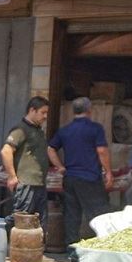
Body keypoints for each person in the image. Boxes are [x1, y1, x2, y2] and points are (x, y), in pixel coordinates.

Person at [47, 97, 112, 247]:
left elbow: (50, 149)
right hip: (90, 178)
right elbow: (101, 151)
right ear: (89, 110)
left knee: (72, 215)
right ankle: (102, 246)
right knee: (98, 213)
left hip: (70, 178)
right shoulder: (95, 128)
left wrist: (60, 167)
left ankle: (72, 249)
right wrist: (108, 172)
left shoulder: (65, 130)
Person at [0, 97, 50, 223]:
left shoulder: (38, 131)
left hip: (39, 183)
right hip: (26, 183)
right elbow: (6, 151)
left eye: (46, 113)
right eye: (42, 112)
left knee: (39, 222)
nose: (45, 116)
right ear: (32, 110)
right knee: (21, 220)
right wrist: (12, 176)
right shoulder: (21, 130)